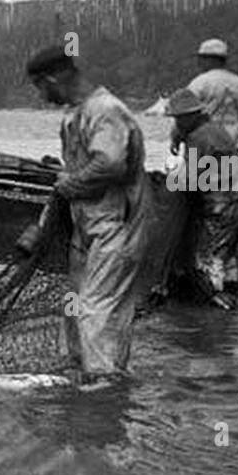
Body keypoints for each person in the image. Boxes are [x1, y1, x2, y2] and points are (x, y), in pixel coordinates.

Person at [26, 46, 152, 380]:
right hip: (88, 225)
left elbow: (110, 163)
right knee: (75, 303)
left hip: (118, 224)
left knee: (99, 311)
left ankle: (103, 393)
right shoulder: (76, 112)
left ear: (53, 79)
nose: (41, 96)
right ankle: (82, 379)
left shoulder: (105, 110)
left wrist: (70, 183)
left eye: (40, 87)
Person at [163, 88, 238, 308]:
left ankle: (217, 302)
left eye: (178, 119)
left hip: (224, 202)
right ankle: (232, 292)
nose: (177, 123)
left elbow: (192, 179)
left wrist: (171, 179)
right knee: (226, 252)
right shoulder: (215, 130)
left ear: (189, 117)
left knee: (209, 256)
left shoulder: (198, 137)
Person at [187, 39, 238, 153]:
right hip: (231, 146)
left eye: (201, 58)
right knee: (228, 171)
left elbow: (185, 115)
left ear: (208, 59)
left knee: (194, 171)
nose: (199, 62)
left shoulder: (198, 83)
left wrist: (176, 138)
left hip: (200, 148)